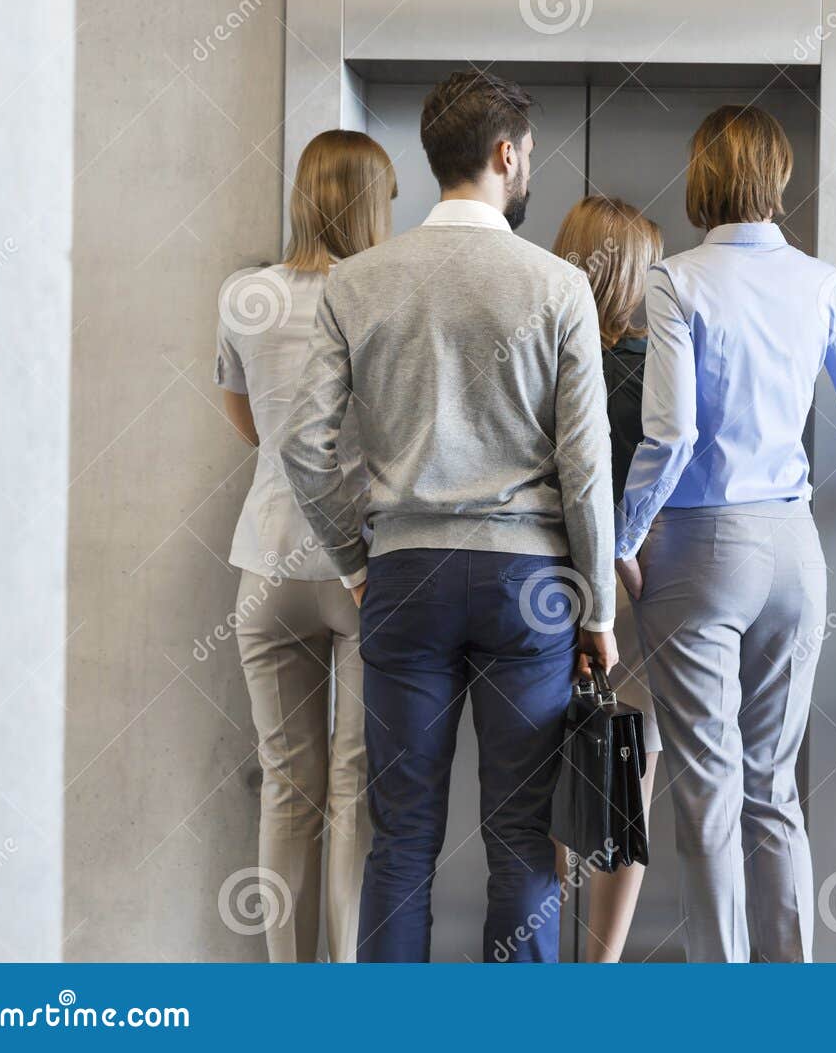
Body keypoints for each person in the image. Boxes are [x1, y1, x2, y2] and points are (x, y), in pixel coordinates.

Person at [280, 71, 618, 964]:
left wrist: (360, 557)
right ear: (507, 154)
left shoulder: (357, 282)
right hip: (528, 585)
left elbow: (303, 446)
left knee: (401, 840)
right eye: (529, 152)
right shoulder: (556, 285)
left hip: (405, 577)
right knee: (518, 840)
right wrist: (599, 610)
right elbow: (586, 468)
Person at [615, 105, 836, 963]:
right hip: (794, 553)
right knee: (773, 788)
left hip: (700, 548)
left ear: (703, 175)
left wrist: (622, 538)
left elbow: (672, 433)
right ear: (778, 177)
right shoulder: (819, 280)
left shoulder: (678, 280)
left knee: (709, 792)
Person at [213, 128, 397, 962]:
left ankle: (287, 989)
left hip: (268, 558)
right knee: (354, 791)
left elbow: (250, 423)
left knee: (287, 791)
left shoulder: (243, 295)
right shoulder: (385, 294)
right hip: (367, 569)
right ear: (370, 204)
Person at [550, 196, 665, 962]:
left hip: (544, 583)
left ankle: (549, 944)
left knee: (555, 762)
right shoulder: (655, 365)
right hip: (639, 581)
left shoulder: (544, 354)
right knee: (630, 770)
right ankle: (605, 964)